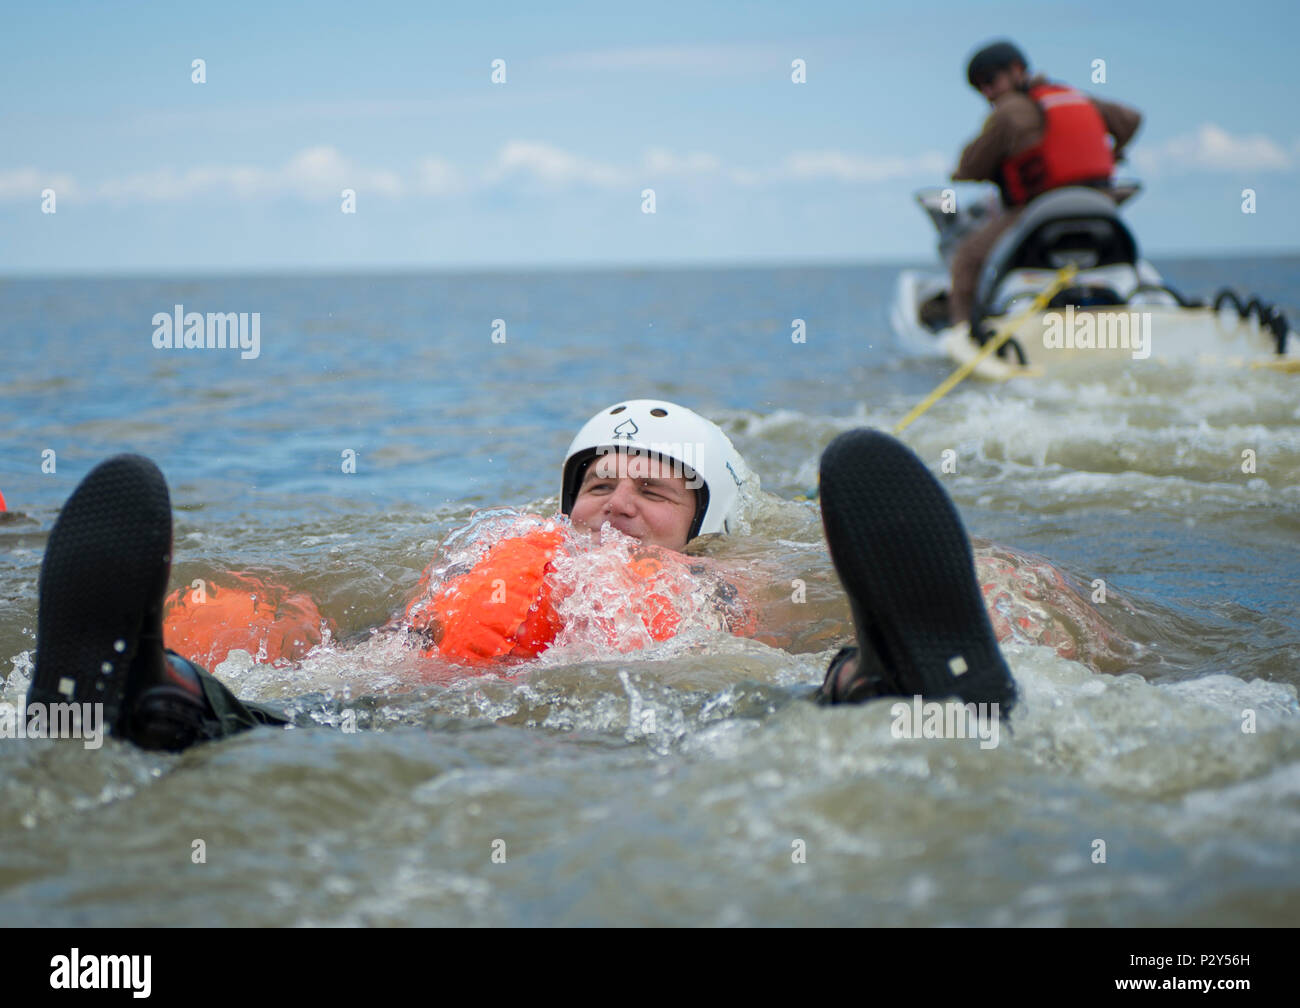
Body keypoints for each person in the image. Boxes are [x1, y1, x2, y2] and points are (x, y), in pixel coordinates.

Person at [26, 399, 1021, 752]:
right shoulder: (505, 555)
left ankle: (886, 684)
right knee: (266, 625)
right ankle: (162, 689)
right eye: (598, 481)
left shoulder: (719, 581)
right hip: (407, 707)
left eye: (655, 492)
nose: (617, 502)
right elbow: (386, 657)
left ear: (705, 524)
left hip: (650, 716)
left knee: (763, 700)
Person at [947, 40, 1144, 332]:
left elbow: (970, 166)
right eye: (980, 88)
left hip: (1038, 209)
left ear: (1016, 70)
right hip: (1101, 204)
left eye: (990, 81)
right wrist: (1113, 153)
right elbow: (1131, 119)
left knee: (966, 258)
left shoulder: (1008, 111)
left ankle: (964, 332)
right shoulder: (1074, 96)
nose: (987, 93)